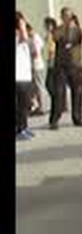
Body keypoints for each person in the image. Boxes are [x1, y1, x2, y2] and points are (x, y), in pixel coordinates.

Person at [49, 6, 82, 129]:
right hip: (61, 66)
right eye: (65, 16)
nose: (67, 18)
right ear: (61, 17)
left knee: (77, 93)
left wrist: (77, 25)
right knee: (59, 93)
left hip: (76, 65)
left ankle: (77, 118)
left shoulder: (77, 29)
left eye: (70, 16)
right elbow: (55, 38)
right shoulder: (58, 29)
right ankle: (54, 120)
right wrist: (65, 28)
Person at [16, 12, 37, 140]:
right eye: (22, 22)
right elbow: (23, 37)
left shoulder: (25, 39)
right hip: (17, 77)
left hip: (25, 76)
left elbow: (34, 52)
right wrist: (22, 29)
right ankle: (19, 129)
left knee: (24, 105)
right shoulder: (18, 36)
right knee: (19, 105)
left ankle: (23, 127)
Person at [26, 19, 47, 116]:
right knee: (33, 88)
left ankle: (41, 107)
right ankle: (35, 106)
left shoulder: (34, 38)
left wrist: (26, 55)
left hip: (36, 66)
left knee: (38, 87)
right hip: (35, 66)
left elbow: (36, 53)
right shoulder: (33, 38)